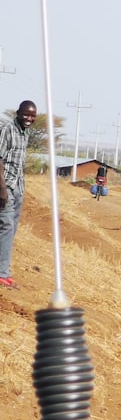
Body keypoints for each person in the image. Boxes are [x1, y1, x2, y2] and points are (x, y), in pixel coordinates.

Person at [0, 100, 37, 289]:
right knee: (6, 226)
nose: (29, 118)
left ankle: (3, 270)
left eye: (32, 116)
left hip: (18, 186)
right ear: (18, 113)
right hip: (5, 186)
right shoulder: (8, 130)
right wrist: (2, 189)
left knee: (11, 228)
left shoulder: (25, 132)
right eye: (26, 114)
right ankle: (2, 274)